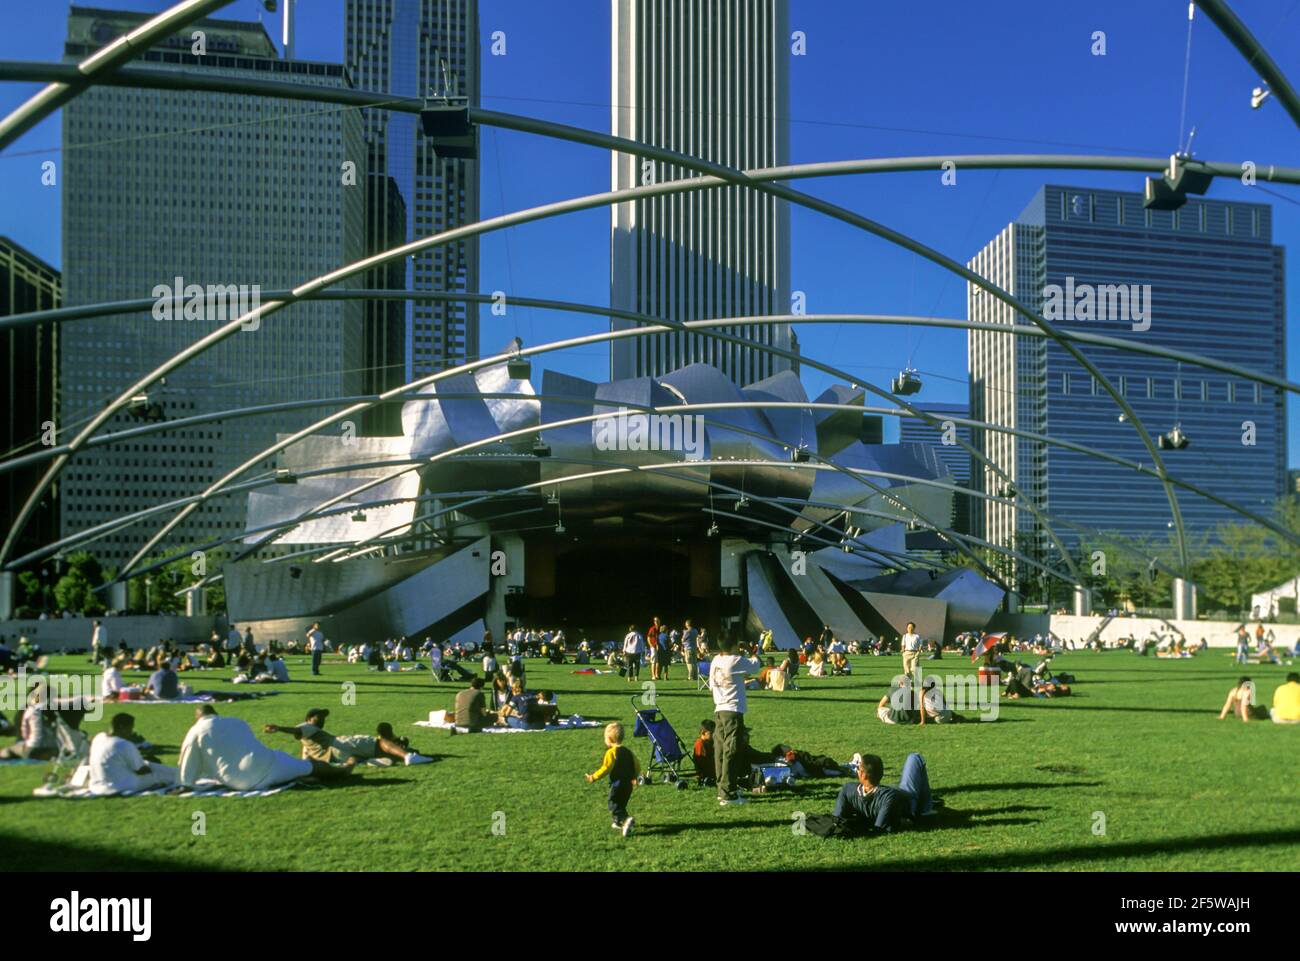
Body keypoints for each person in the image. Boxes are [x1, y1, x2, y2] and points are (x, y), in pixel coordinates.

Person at [178, 706, 353, 789]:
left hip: (239, 782)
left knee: (303, 766)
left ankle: (295, 778)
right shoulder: (236, 722)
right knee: (311, 765)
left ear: (198, 718)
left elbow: (187, 770)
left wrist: (185, 784)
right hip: (266, 763)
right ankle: (342, 771)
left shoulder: (194, 733)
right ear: (215, 713)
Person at [265, 708, 432, 766]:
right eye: (318, 716)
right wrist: (279, 728)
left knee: (377, 751)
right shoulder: (306, 727)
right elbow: (297, 731)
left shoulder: (307, 744)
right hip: (339, 744)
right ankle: (408, 756)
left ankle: (400, 753)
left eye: (323, 716)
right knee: (379, 742)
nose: (321, 719)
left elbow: (306, 762)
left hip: (336, 758)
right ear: (309, 719)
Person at [708, 634, 761, 806]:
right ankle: (728, 793)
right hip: (732, 710)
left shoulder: (715, 660)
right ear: (733, 646)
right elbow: (756, 665)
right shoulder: (736, 660)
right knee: (731, 750)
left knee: (720, 750)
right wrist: (748, 649)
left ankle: (721, 787)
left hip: (719, 709)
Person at [830, 752, 936, 834]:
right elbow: (880, 827)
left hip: (897, 794)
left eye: (858, 768)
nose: (857, 771)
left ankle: (928, 805)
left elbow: (836, 818)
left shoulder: (848, 789)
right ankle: (926, 808)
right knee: (915, 757)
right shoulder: (888, 796)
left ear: (863, 775)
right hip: (907, 798)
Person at [87, 713, 178, 796]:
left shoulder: (98, 738)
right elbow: (140, 770)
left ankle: (179, 772)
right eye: (130, 729)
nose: (131, 732)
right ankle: (183, 776)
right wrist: (148, 767)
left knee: (152, 765)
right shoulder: (123, 744)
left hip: (97, 784)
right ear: (122, 727)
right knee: (160, 774)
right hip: (120, 785)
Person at [584, 721, 640, 837]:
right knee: (621, 804)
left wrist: (593, 777)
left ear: (609, 739)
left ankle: (625, 820)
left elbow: (606, 768)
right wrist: (634, 776)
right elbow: (637, 765)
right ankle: (618, 822)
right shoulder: (628, 752)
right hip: (628, 785)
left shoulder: (611, 753)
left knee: (613, 803)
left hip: (617, 784)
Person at [692, 719, 716, 784]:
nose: (714, 735)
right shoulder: (700, 744)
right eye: (711, 733)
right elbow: (701, 763)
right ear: (703, 733)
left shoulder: (710, 742)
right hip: (706, 772)